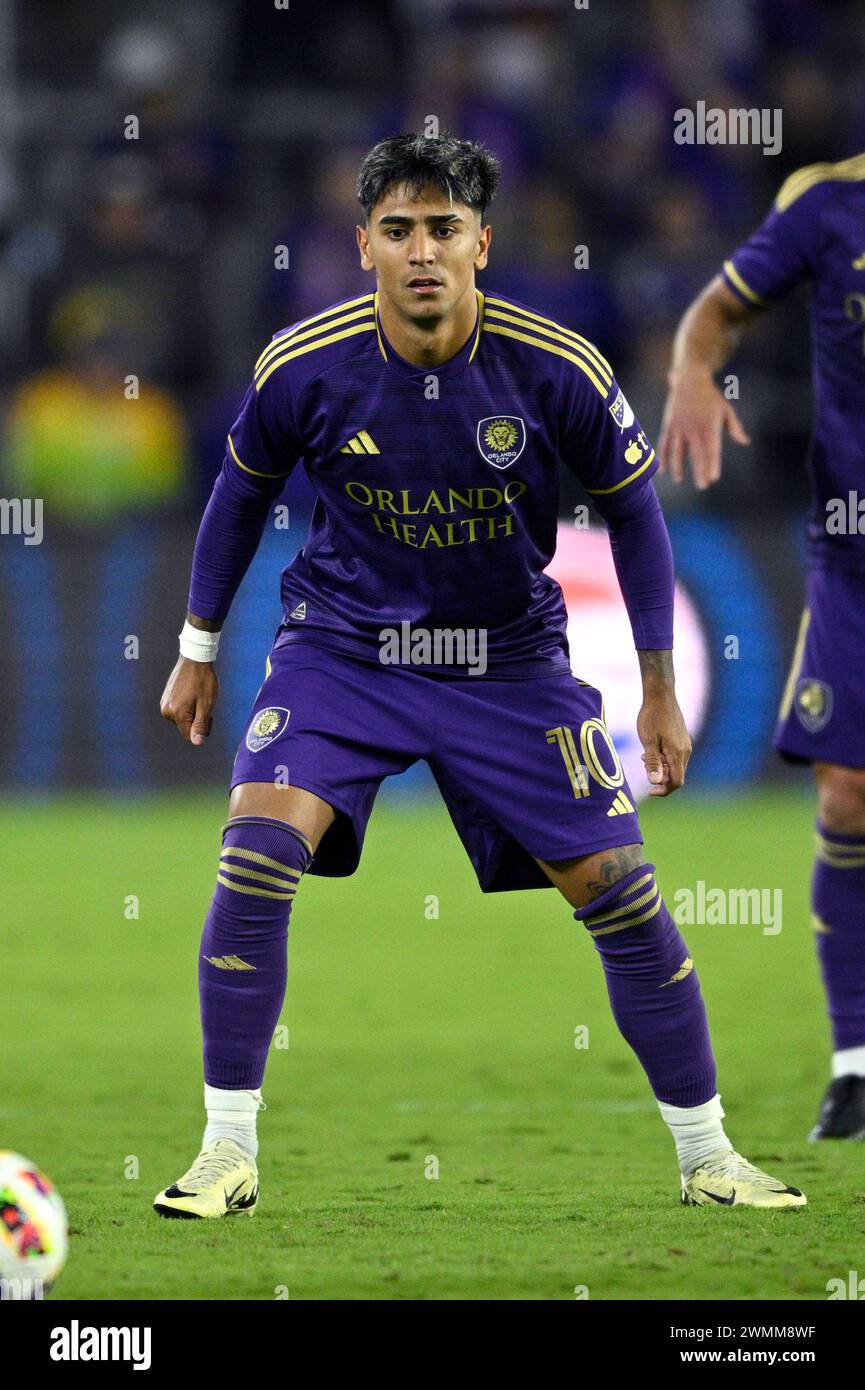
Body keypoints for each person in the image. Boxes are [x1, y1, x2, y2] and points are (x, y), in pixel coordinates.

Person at [155, 133, 805, 1217]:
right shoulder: (302, 366)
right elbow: (237, 499)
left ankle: (708, 1158)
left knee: (623, 898)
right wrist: (196, 649)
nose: (422, 253)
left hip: (505, 661)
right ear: (363, 245)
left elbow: (636, 514)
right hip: (342, 650)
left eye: (444, 230)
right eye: (400, 231)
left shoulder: (555, 366)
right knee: (256, 852)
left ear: (481, 246)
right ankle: (227, 1151)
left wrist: (654, 686)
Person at [659, 152, 865, 1142]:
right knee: (845, 791)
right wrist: (692, 371)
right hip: (853, 560)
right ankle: (856, 1061)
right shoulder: (826, 206)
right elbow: (718, 309)